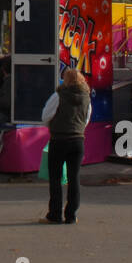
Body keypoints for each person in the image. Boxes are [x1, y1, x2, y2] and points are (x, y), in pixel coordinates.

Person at [40, 68, 91, 225]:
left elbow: (45, 116)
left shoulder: (58, 95)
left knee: (55, 178)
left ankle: (55, 213)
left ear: (65, 80)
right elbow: (86, 119)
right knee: (73, 178)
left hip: (59, 139)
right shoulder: (86, 98)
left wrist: (53, 126)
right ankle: (71, 214)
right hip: (77, 141)